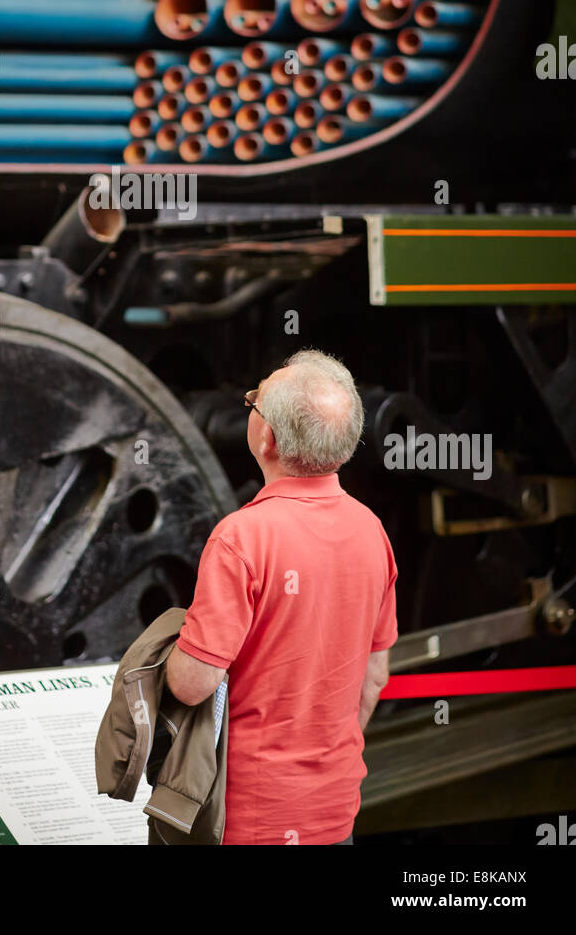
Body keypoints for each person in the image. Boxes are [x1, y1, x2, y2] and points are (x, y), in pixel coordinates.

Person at [165, 349, 398, 845]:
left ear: (264, 436)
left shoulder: (241, 537)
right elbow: (374, 677)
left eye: (254, 402)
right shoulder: (371, 531)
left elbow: (192, 684)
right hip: (334, 810)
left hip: (252, 817)